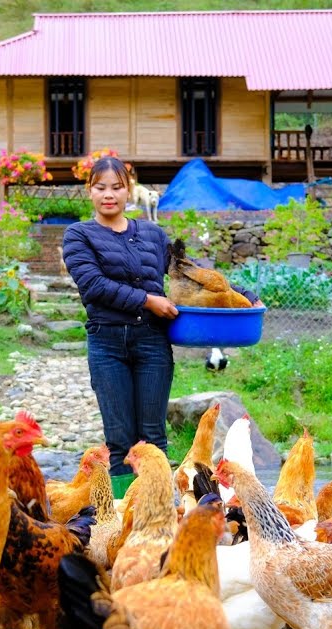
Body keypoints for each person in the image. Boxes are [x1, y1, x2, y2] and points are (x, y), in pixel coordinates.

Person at [61, 157, 256, 491]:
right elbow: (93, 284)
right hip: (107, 344)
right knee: (120, 438)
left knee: (153, 435)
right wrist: (147, 300)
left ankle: (160, 509)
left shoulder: (151, 234)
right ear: (89, 191)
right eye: (101, 187)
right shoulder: (79, 235)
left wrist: (247, 296)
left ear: (129, 190)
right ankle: (123, 514)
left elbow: (190, 273)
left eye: (117, 187)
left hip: (151, 342)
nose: (109, 195)